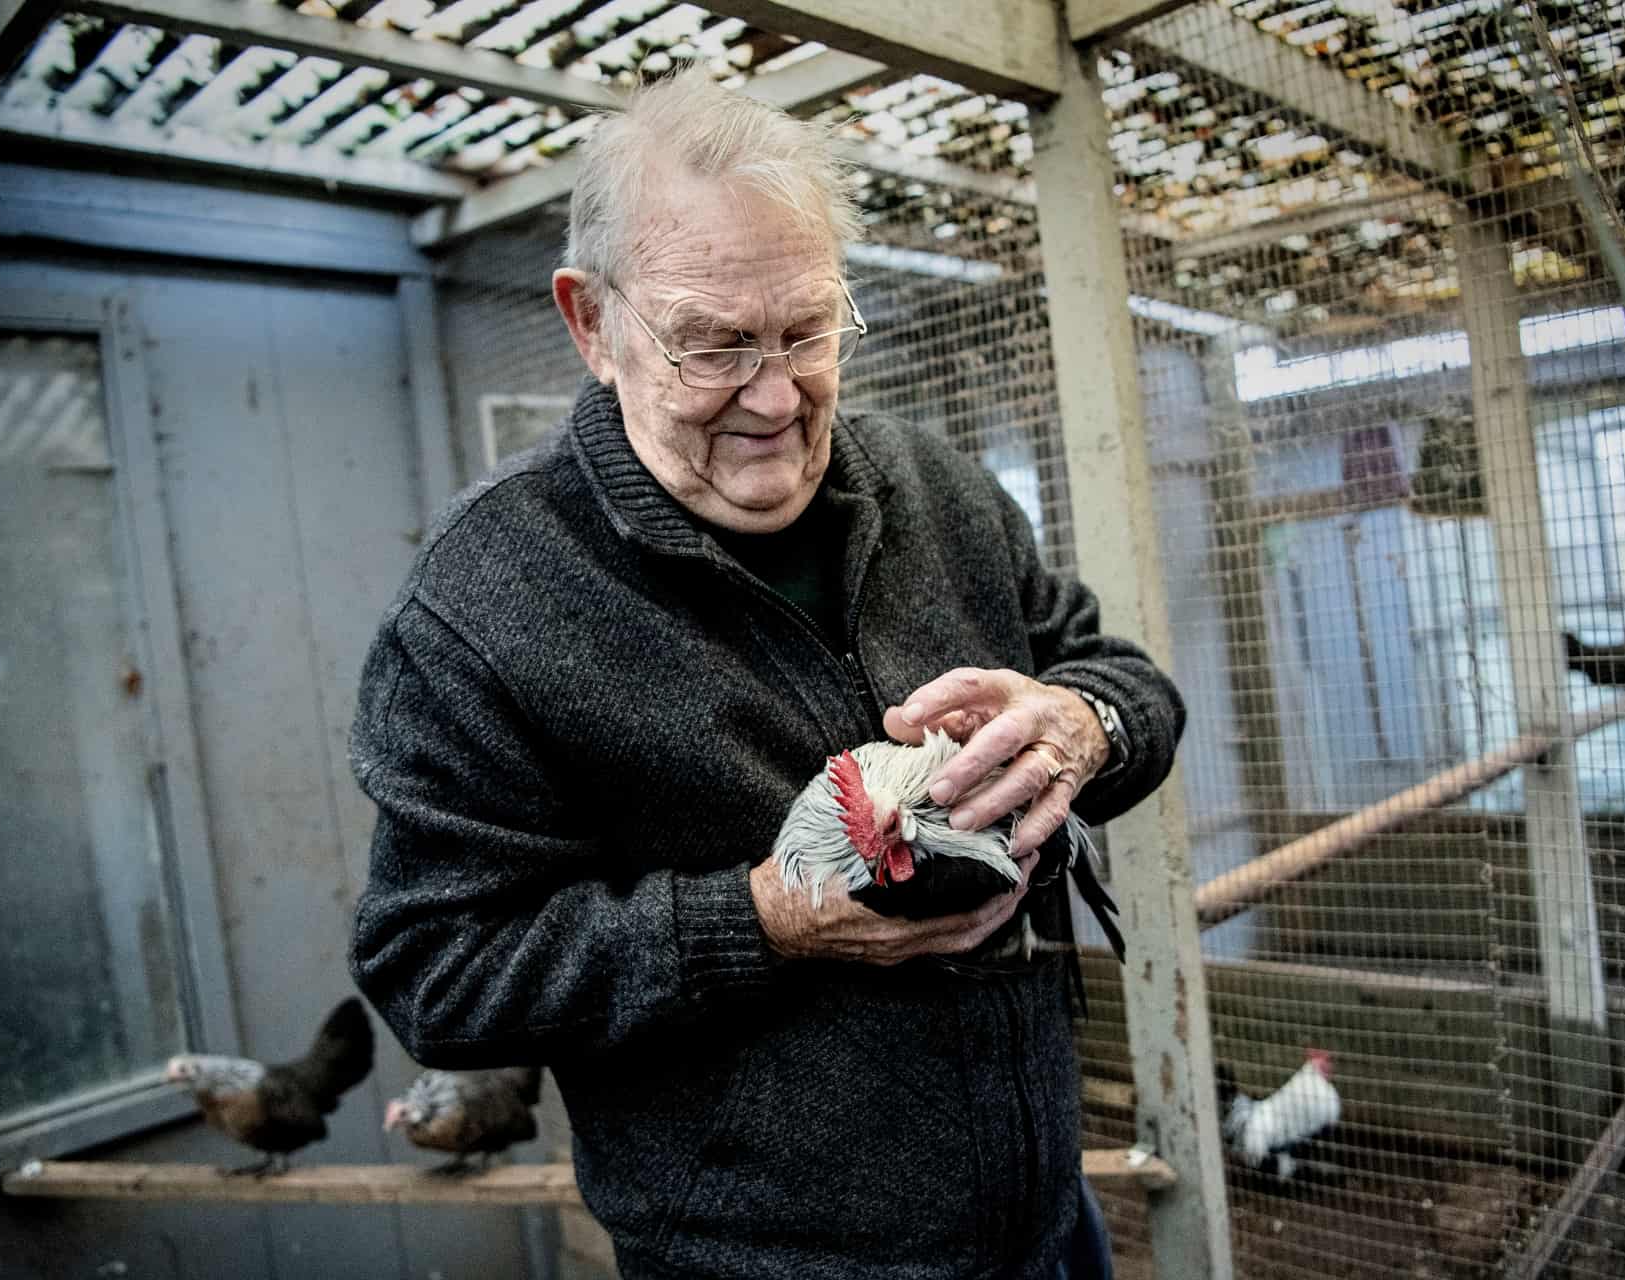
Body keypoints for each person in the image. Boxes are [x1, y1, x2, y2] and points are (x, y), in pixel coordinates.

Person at [348, 69, 1184, 1280]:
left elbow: (1120, 674)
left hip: (1042, 1221)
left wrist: (1081, 725)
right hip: (761, 1261)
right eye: (716, 343)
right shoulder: (483, 606)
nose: (779, 394)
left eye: (806, 328)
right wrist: (766, 920)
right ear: (594, 324)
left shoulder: (935, 487)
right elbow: (436, 970)